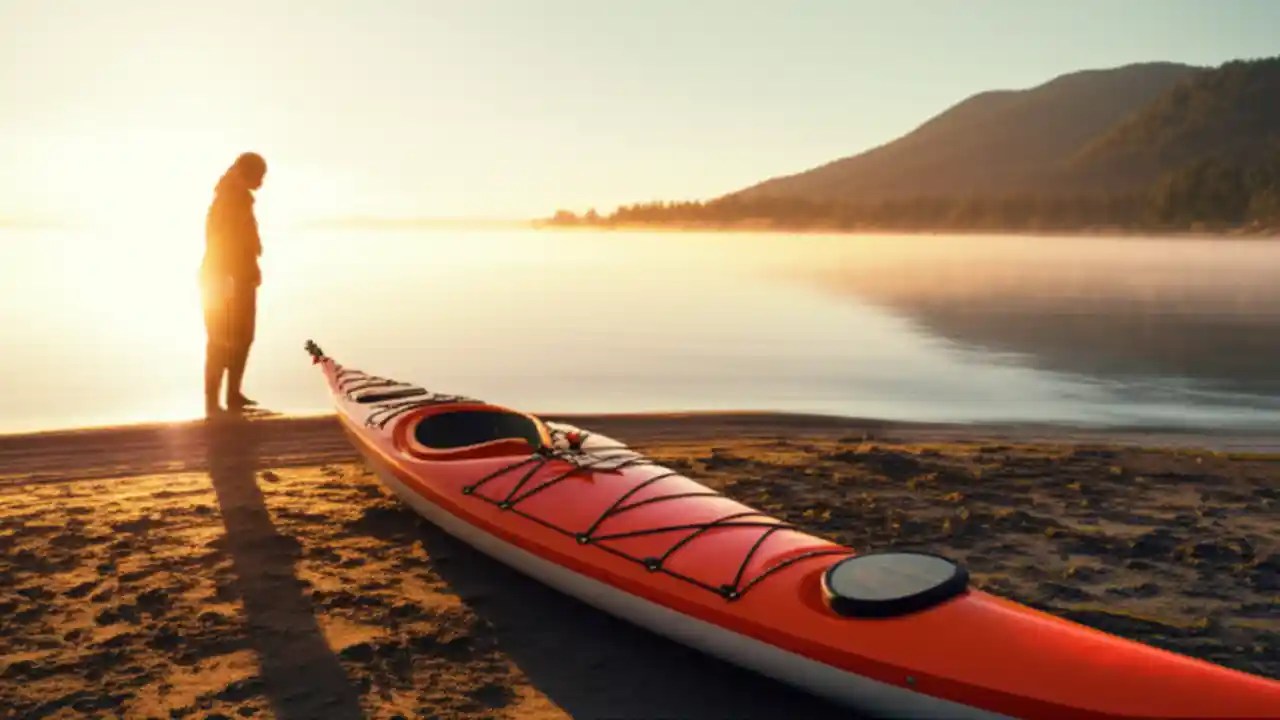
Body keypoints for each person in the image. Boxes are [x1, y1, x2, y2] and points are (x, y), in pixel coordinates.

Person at [200, 152, 267, 417]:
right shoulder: (228, 200)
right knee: (221, 339)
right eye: (259, 176)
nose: (261, 182)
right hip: (223, 278)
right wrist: (232, 276)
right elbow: (222, 241)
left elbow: (245, 240)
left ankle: (231, 395)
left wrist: (251, 267)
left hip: (236, 276)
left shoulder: (237, 198)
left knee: (242, 337)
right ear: (244, 172)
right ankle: (214, 402)